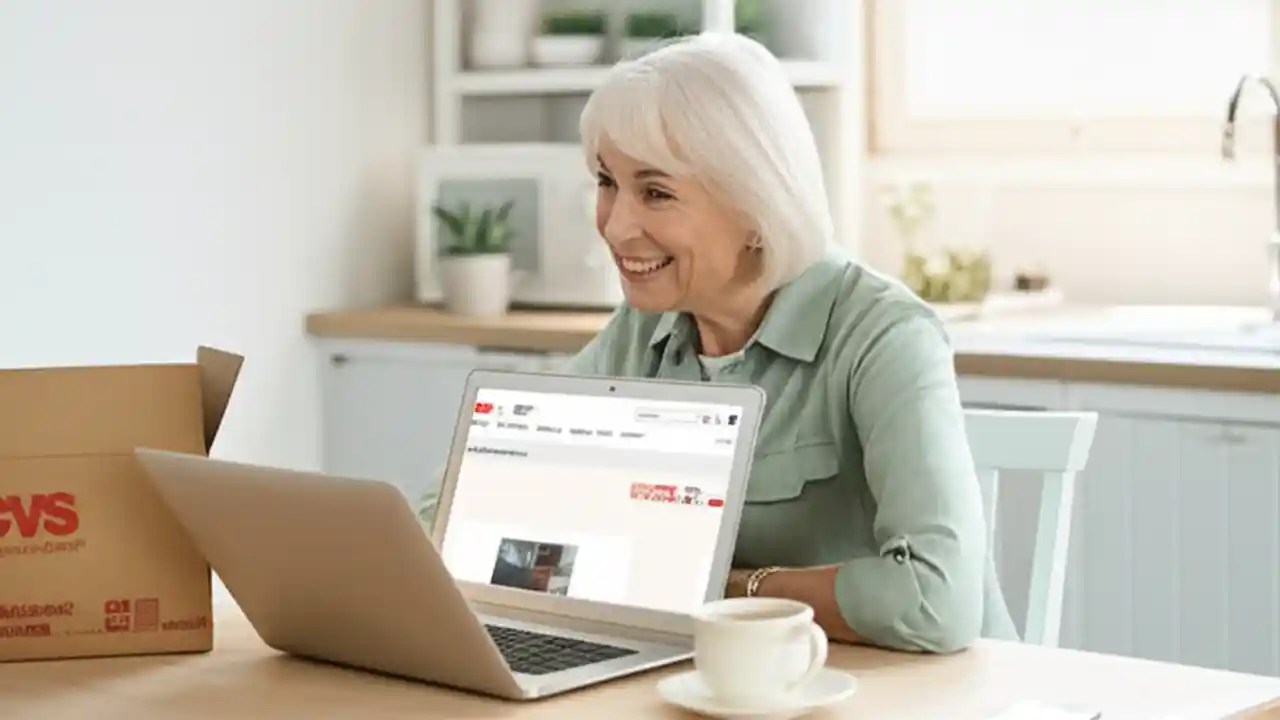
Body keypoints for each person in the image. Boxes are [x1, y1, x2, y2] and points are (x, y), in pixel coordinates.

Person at [420, 32, 1018, 653]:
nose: (616, 224)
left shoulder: (885, 336)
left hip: (915, 692)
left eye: (655, 192)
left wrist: (723, 592)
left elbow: (934, 601)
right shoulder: (645, 328)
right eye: (607, 182)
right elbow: (459, 505)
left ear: (755, 203)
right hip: (738, 682)